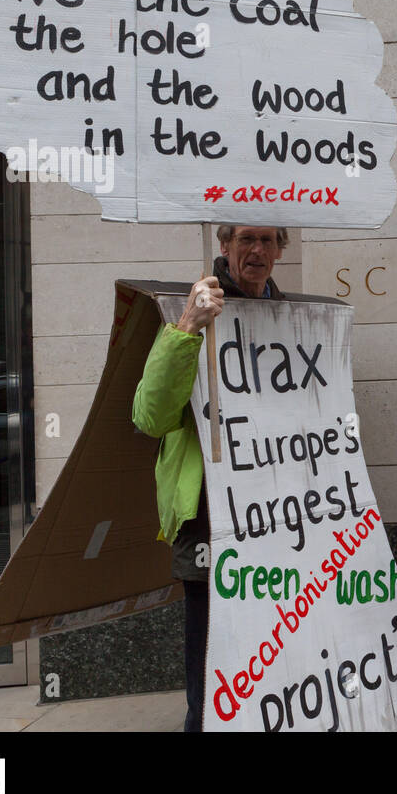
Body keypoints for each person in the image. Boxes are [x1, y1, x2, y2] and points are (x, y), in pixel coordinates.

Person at [132, 224, 288, 732]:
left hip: (277, 516)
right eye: (246, 238)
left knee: (275, 646)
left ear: (281, 250)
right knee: (210, 654)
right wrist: (188, 326)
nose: (257, 251)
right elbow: (150, 417)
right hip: (208, 519)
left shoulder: (292, 319)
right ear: (224, 245)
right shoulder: (193, 313)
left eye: (268, 240)